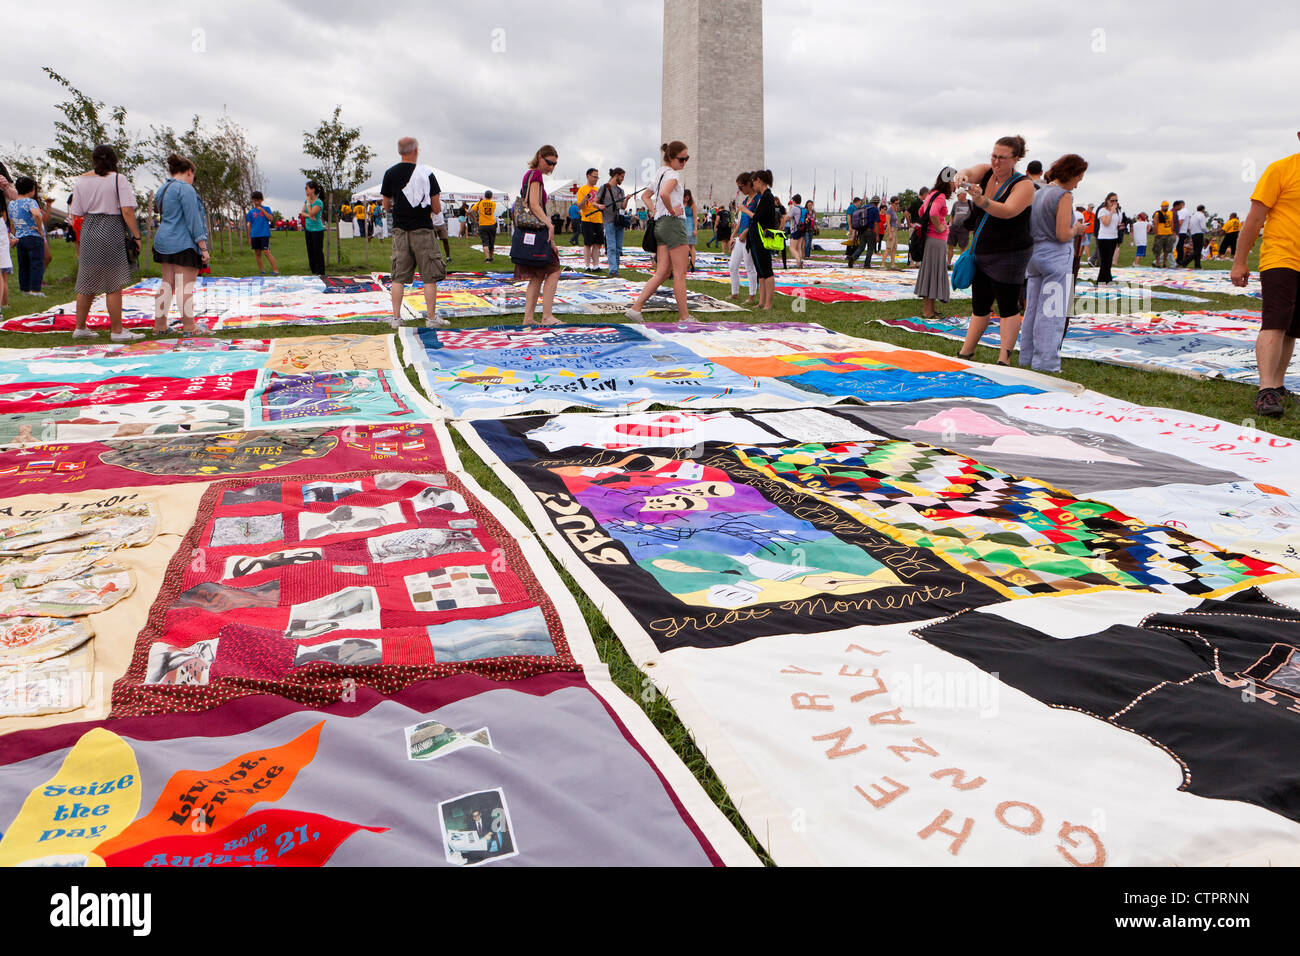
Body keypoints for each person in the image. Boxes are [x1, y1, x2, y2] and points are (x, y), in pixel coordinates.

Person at [1232, 131, 1300, 418]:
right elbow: (1255, 219)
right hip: (1281, 257)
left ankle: (1278, 386)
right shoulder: (1280, 169)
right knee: (1274, 323)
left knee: (1292, 328)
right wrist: (1239, 262)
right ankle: (1265, 390)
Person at [954, 134, 1036, 365]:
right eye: (993, 155)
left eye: (1002, 157)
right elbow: (970, 171)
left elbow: (1008, 211)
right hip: (983, 250)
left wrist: (981, 201)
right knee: (980, 303)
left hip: (1010, 253)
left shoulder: (1024, 185)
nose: (996, 161)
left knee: (1008, 305)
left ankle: (1004, 359)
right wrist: (962, 175)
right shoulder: (987, 171)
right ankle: (966, 351)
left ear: (1015, 159)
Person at [1019, 154, 1091, 373]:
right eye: (1080, 176)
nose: (1080, 181)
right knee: (1051, 312)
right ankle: (1047, 362)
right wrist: (1077, 229)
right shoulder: (1063, 196)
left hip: (1035, 255)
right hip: (1056, 256)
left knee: (1031, 309)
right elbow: (1062, 234)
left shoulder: (1039, 192)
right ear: (1073, 174)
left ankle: (1026, 356)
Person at [65, 146, 144, 342]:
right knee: (113, 283)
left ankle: (80, 327)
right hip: (111, 229)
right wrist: (136, 236)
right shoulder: (118, 179)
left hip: (90, 229)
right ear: (113, 160)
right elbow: (127, 211)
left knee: (86, 281)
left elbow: (77, 211)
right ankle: (117, 330)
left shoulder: (81, 180)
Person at [380, 137, 447, 328]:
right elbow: (436, 208)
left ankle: (396, 318)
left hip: (400, 230)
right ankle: (431, 318)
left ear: (399, 151)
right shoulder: (426, 174)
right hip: (423, 230)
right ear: (416, 150)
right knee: (429, 276)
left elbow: (385, 205)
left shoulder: (390, 173)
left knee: (398, 276)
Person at [626, 141, 693, 321]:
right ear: (671, 157)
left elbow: (645, 196)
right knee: (680, 273)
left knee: (662, 273)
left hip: (660, 225)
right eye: (681, 159)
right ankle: (685, 316)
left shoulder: (660, 173)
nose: (684, 162)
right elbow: (663, 194)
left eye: (687, 159)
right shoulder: (673, 175)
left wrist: (655, 211)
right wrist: (672, 210)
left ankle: (636, 308)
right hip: (673, 224)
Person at [151, 153, 212, 337]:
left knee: (167, 284)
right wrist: (203, 247)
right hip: (183, 242)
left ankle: (159, 326)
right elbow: (193, 220)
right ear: (189, 172)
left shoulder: (163, 189)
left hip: (164, 240)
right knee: (185, 286)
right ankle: (189, 326)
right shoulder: (185, 189)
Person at [514, 145, 563, 326]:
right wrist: (549, 224)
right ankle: (547, 316)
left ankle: (528, 318)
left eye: (554, 164)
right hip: (538, 232)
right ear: (540, 157)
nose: (551, 167)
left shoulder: (529, 174)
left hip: (531, 234)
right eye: (549, 162)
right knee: (554, 270)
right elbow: (534, 205)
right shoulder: (535, 175)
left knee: (537, 275)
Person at [913, 169, 953, 319]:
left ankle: (930, 309)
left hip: (931, 239)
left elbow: (921, 210)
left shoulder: (931, 194)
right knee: (932, 274)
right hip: (936, 239)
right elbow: (933, 213)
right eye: (954, 181)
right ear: (948, 181)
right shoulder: (940, 196)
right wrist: (939, 226)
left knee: (930, 274)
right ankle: (928, 311)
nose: (956, 185)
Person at [746, 169, 781, 311]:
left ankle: (768, 303)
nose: (752, 184)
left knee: (766, 271)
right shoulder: (763, 196)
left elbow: (758, 217)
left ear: (759, 180)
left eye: (753, 181)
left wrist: (744, 210)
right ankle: (761, 302)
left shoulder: (767, 196)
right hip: (756, 238)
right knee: (760, 272)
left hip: (762, 238)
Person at [8, 177, 47, 296]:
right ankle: (35, 290)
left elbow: (12, 222)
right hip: (33, 235)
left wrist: (13, 236)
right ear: (31, 189)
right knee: (36, 263)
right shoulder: (30, 202)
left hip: (20, 237)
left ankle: (24, 289)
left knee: (23, 265)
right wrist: (40, 230)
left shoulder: (12, 204)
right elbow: (37, 215)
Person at [728, 172, 758, 302]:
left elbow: (756, 219)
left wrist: (746, 232)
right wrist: (733, 235)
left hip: (749, 237)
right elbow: (741, 220)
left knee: (749, 266)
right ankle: (735, 292)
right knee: (732, 265)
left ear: (748, 184)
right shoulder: (746, 200)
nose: (740, 190)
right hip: (740, 237)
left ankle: (752, 295)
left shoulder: (757, 199)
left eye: (741, 187)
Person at [597, 168, 629, 277]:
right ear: (616, 175)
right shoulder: (604, 188)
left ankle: (616, 269)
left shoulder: (621, 191)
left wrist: (627, 199)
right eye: (622, 177)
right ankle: (613, 270)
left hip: (619, 221)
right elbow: (594, 203)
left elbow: (623, 207)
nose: (622, 179)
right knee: (611, 246)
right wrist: (599, 206)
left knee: (618, 247)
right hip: (609, 220)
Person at [245, 191, 279, 275]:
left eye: (258, 200)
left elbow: (271, 218)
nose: (257, 202)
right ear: (252, 200)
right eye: (255, 200)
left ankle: (275, 270)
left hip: (264, 234)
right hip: (254, 235)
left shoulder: (267, 208)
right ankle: (262, 271)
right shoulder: (251, 212)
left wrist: (262, 210)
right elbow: (249, 224)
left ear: (262, 200)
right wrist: (249, 237)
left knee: (266, 252)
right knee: (257, 253)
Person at [1095, 192, 1122, 283]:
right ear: (1107, 200)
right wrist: (1111, 212)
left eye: (1116, 200)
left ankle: (1108, 278)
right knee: (1104, 261)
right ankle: (1101, 280)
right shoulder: (1102, 210)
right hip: (1104, 238)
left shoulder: (1118, 211)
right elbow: (1106, 223)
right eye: (1112, 200)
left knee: (1109, 261)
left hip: (1113, 237)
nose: (1114, 202)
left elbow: (1117, 224)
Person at [302, 181, 326, 276]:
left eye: (307, 188)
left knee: (318, 252)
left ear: (313, 190)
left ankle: (321, 272)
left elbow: (312, 212)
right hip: (308, 229)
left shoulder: (318, 202)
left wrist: (308, 203)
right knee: (310, 251)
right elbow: (302, 213)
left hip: (317, 230)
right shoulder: (306, 201)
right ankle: (314, 271)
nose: (305, 190)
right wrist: (309, 215)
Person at [946, 189, 972, 267]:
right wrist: (951, 224)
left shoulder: (970, 204)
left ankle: (961, 265)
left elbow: (974, 216)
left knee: (963, 247)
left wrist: (971, 227)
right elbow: (952, 215)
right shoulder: (956, 204)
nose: (957, 196)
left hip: (964, 229)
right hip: (954, 228)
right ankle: (948, 263)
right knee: (950, 246)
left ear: (964, 194)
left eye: (958, 195)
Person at [472, 191, 498, 263]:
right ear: (491, 196)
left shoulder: (480, 203)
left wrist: (475, 217)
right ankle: (491, 256)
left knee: (485, 242)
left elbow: (471, 210)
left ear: (484, 196)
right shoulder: (494, 204)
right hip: (491, 224)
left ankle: (487, 259)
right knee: (491, 242)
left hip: (482, 224)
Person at [1152, 201, 1175, 267]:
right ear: (1161, 206)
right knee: (1157, 250)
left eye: (1167, 206)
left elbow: (1172, 222)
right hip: (1160, 234)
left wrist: (1173, 232)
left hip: (1169, 233)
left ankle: (1164, 262)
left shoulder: (1170, 213)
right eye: (1164, 206)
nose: (1166, 207)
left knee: (1167, 250)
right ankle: (1158, 263)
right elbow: (1155, 223)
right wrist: (1156, 233)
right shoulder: (1157, 213)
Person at [883, 196, 902, 270]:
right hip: (891, 230)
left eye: (898, 203)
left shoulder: (894, 210)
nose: (897, 204)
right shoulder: (889, 211)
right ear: (892, 203)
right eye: (896, 203)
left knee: (894, 248)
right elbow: (888, 222)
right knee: (888, 248)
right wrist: (890, 233)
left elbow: (894, 220)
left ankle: (893, 265)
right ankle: (883, 265)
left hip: (895, 230)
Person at [1189, 204, 1208, 268]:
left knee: (1196, 250)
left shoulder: (1193, 216)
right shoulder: (1202, 216)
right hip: (1199, 234)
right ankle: (1185, 262)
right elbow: (1203, 227)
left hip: (1193, 234)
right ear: (1203, 209)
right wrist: (1207, 231)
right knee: (1198, 251)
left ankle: (1197, 265)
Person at [684, 189, 698, 269]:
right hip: (682, 226)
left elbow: (695, 217)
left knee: (691, 246)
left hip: (690, 226)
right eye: (685, 197)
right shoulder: (681, 204)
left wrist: (695, 229)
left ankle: (692, 263)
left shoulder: (692, 204)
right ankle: (685, 263)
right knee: (684, 246)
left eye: (687, 197)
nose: (686, 199)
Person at [1172, 200, 1189, 266]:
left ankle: (1179, 261)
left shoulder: (1182, 211)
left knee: (1179, 247)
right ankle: (1179, 261)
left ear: (1181, 204)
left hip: (1180, 232)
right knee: (1180, 247)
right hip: (1183, 231)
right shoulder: (1186, 211)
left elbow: (1180, 222)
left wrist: (1175, 230)